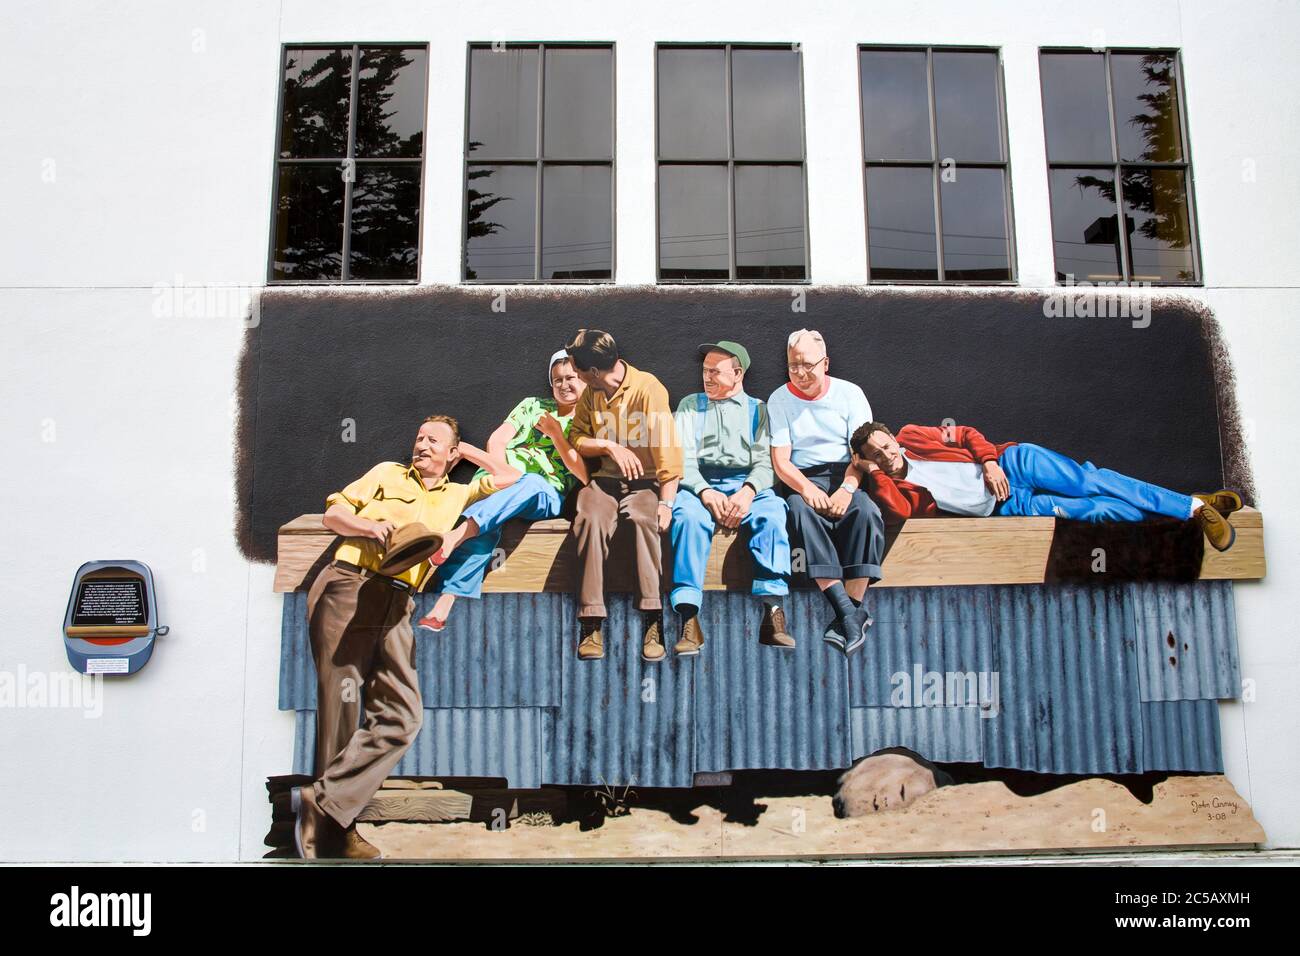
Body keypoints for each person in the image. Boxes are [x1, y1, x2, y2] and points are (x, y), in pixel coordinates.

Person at [292, 416, 520, 859]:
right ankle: (334, 832)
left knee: (402, 715)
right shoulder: (385, 473)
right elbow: (333, 512)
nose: (422, 445)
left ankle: (321, 803)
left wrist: (467, 452)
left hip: (399, 602)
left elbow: (510, 477)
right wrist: (366, 527)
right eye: (418, 437)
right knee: (342, 712)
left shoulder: (460, 493)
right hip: (349, 585)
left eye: (433, 440)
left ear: (452, 453)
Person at [850, 421, 1240, 550]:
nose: (886, 455)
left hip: (1014, 464)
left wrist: (989, 463)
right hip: (1006, 508)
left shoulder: (914, 435)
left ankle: (1193, 510)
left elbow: (965, 433)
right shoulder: (889, 488)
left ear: (893, 439)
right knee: (1098, 508)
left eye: (886, 446)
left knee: (1090, 480)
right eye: (876, 455)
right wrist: (871, 471)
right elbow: (900, 511)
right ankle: (1188, 504)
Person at [416, 351, 590, 631]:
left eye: (571, 378)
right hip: (501, 476)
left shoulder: (588, 420)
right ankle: (445, 603)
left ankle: (455, 536)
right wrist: (500, 472)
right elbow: (498, 439)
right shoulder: (533, 405)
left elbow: (584, 474)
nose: (564, 384)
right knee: (489, 526)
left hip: (544, 490)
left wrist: (557, 435)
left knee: (529, 484)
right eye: (557, 379)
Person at [565, 329, 683, 662]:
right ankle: (591, 621)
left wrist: (667, 503)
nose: (576, 378)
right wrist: (608, 445)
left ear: (592, 372)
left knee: (644, 521)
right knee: (588, 517)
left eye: (577, 371)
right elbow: (577, 437)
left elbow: (668, 450)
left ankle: (652, 618)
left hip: (645, 482)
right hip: (604, 481)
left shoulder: (648, 389)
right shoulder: (591, 394)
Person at [670, 340, 793, 653]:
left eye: (715, 371)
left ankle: (773, 611)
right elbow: (680, 458)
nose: (707, 377)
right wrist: (705, 491)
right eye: (704, 371)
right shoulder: (690, 405)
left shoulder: (759, 410)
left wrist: (748, 491)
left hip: (747, 486)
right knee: (687, 517)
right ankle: (688, 617)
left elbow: (768, 463)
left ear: (738, 374)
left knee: (773, 513)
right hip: (698, 485)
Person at [767, 329, 884, 656]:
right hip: (802, 476)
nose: (801, 373)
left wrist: (847, 490)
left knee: (866, 513)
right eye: (793, 366)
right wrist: (806, 490)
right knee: (801, 514)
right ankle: (848, 613)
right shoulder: (780, 399)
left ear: (826, 363)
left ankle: (850, 611)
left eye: (808, 365)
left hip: (847, 473)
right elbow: (781, 460)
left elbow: (861, 455)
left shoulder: (851, 395)